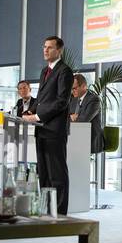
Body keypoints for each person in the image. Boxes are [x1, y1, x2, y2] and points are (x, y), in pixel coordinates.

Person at [23, 36, 73, 214]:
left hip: (54, 130)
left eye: (50, 48)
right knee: (43, 172)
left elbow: (61, 102)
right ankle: (45, 208)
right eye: (44, 47)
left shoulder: (65, 71)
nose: (45, 50)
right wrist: (30, 111)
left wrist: (37, 115)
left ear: (59, 50)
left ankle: (60, 212)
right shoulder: (45, 70)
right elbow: (43, 97)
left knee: (57, 173)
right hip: (41, 129)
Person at [69, 73, 104, 154]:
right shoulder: (73, 99)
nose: (72, 91)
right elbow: (66, 116)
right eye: (71, 89)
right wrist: (71, 117)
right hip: (75, 139)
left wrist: (72, 118)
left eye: (74, 88)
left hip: (91, 140)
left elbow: (84, 120)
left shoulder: (94, 100)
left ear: (84, 86)